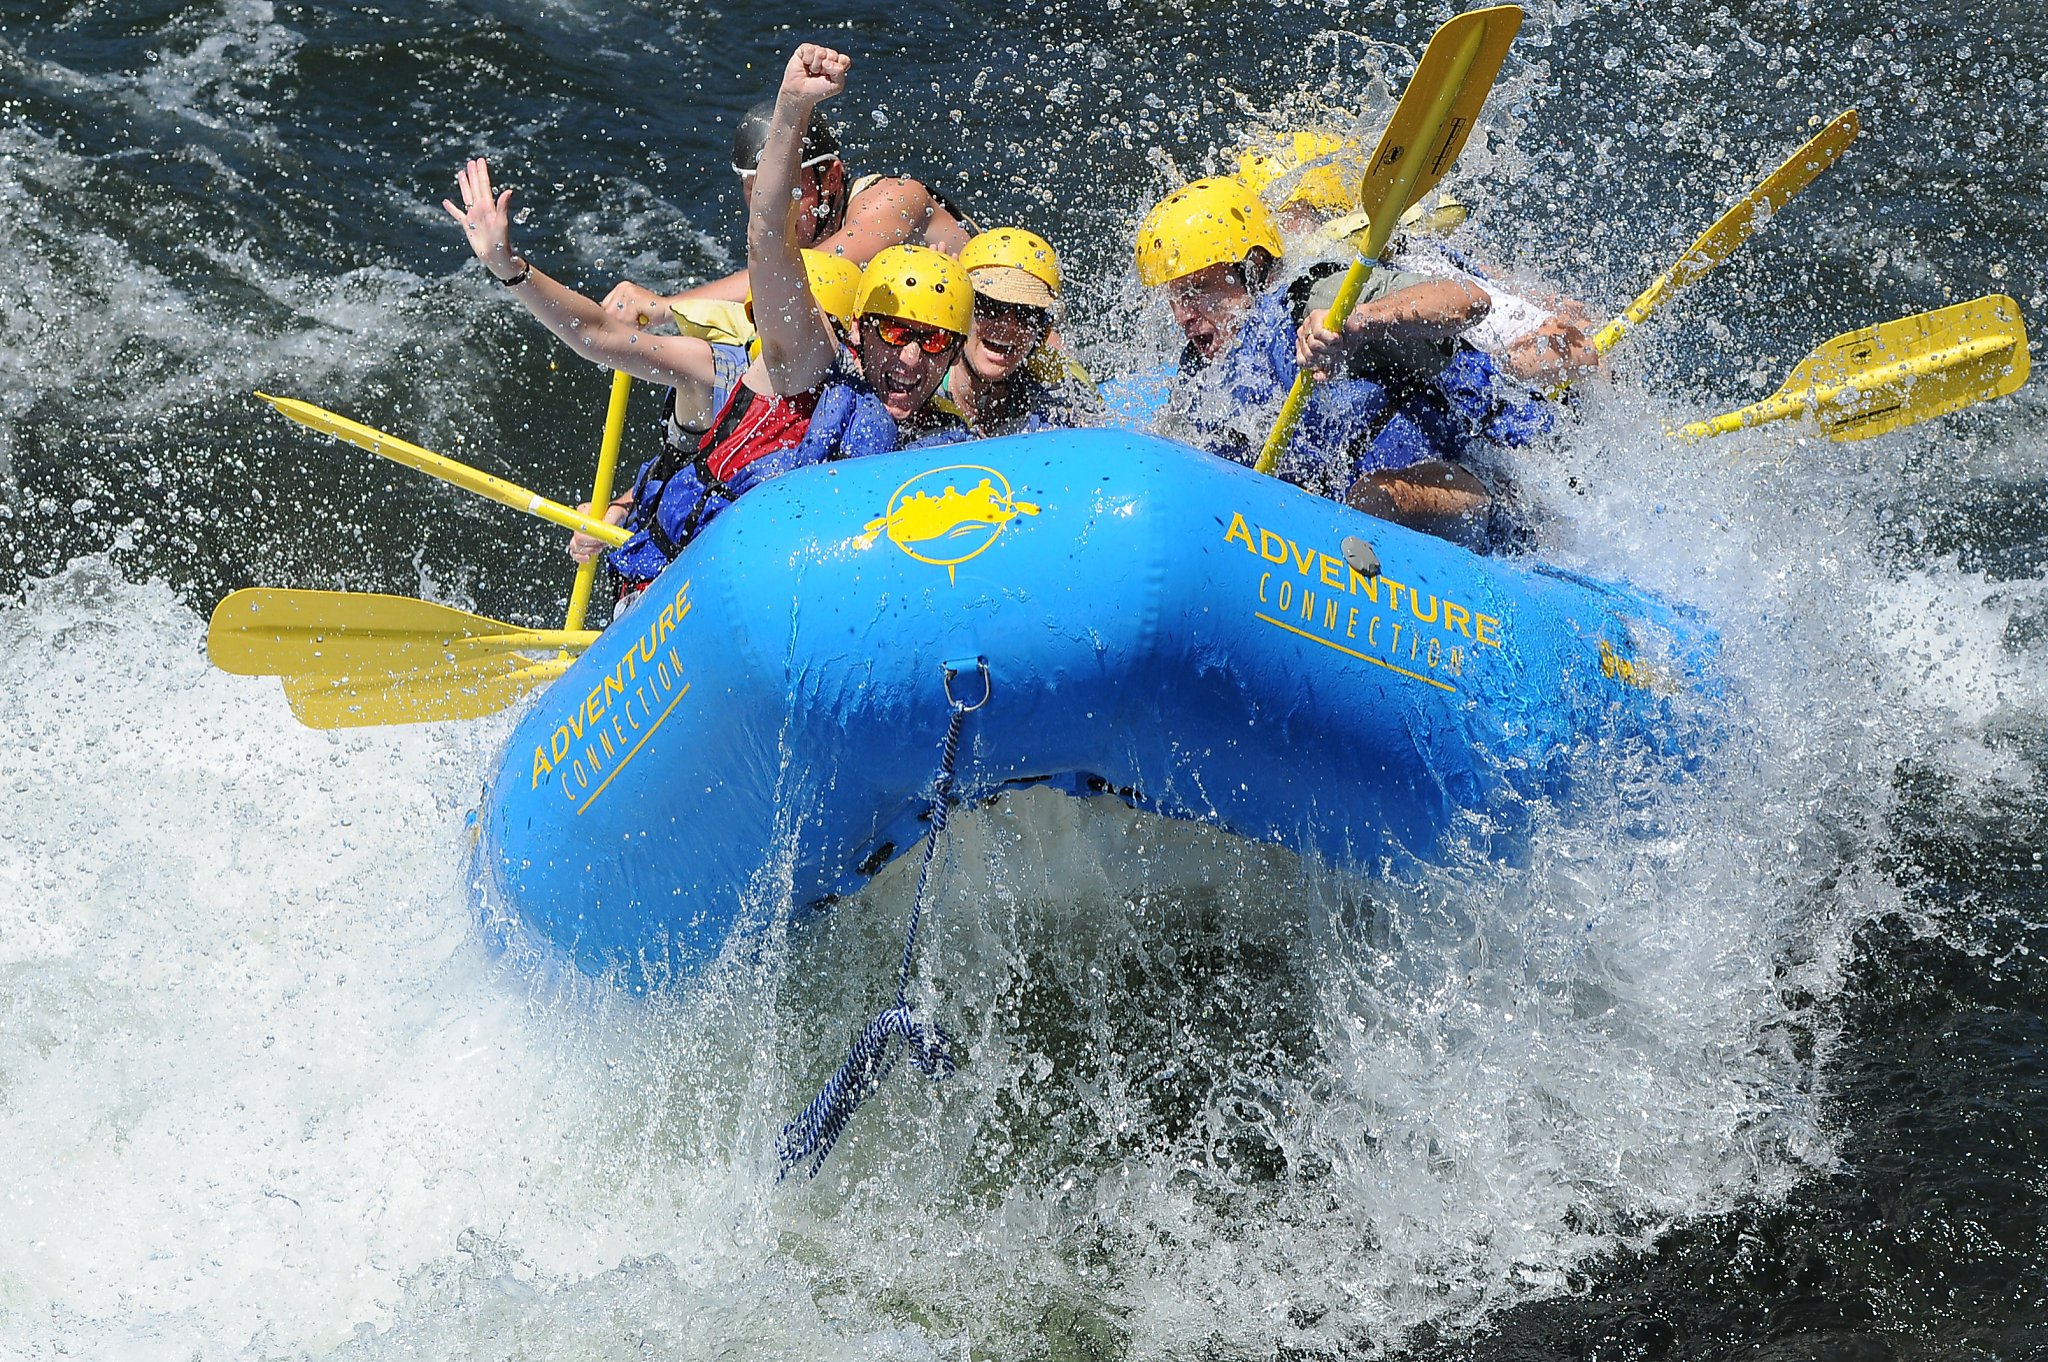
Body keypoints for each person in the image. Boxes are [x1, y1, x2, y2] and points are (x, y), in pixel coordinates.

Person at [1136, 175, 1541, 548]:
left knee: (1370, 498)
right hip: (1347, 526)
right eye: (1175, 297)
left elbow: (1468, 300)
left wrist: (1355, 324)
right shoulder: (1201, 374)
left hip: (1472, 487)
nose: (1183, 316)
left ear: (1254, 269)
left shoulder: (1317, 296)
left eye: (1200, 290)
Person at [1234, 130, 1601, 389]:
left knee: (1570, 341)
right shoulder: (1411, 240)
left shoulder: (1361, 255)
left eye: (1285, 213)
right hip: (1540, 340)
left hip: (1530, 362)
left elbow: (1485, 301)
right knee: (1575, 322)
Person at [600, 93, 977, 325]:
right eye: (758, 192)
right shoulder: (802, 230)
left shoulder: (894, 200)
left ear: (832, 179)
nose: (775, 209)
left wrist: (667, 307)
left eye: (789, 191)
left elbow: (800, 274)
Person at [935, 227, 1103, 437]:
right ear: (960, 311)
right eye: (991, 305)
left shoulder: (1062, 391)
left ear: (1041, 331)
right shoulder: (919, 384)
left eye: (1026, 313)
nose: (1008, 326)